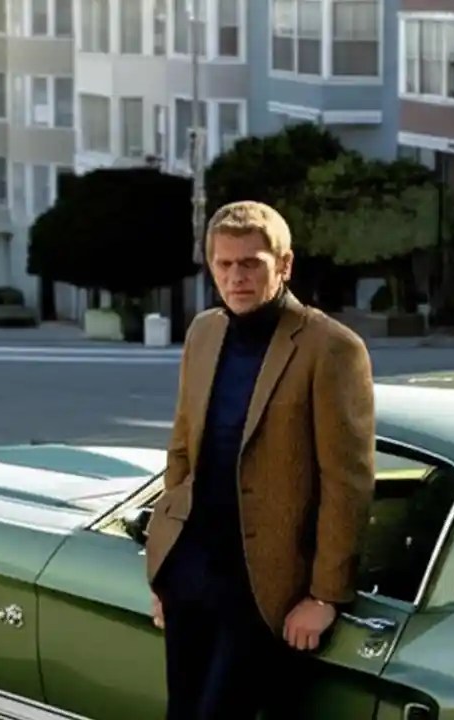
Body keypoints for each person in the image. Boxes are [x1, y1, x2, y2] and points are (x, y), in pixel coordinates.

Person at [143, 200, 376, 719]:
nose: (236, 277)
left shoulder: (331, 348)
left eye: (251, 263)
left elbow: (348, 481)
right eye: (224, 265)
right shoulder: (204, 332)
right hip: (191, 574)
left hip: (265, 587)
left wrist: (325, 595)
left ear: (284, 265)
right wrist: (168, 563)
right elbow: (183, 448)